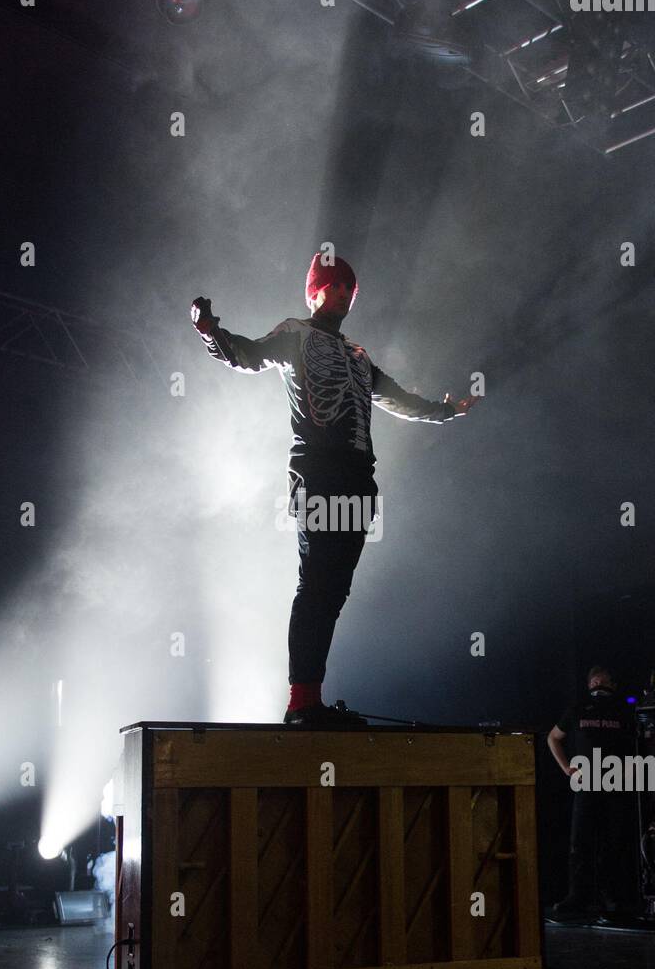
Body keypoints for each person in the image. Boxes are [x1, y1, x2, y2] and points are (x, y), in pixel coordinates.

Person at [190, 251, 478, 726]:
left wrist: (446, 410)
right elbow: (248, 355)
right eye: (335, 285)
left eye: (349, 288)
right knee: (317, 582)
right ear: (315, 290)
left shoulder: (359, 356)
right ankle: (301, 701)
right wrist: (210, 333)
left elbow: (400, 400)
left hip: (358, 480)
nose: (343, 294)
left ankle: (310, 697)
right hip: (318, 473)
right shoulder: (295, 335)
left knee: (334, 590)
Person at [546, 665, 638, 923]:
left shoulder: (623, 710)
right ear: (588, 685)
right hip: (585, 784)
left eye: (604, 677)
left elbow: (638, 743)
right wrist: (566, 768)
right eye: (594, 678)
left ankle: (613, 897)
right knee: (580, 842)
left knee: (614, 842)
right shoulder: (578, 708)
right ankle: (578, 896)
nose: (599, 680)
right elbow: (553, 738)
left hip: (615, 784)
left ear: (613, 683)